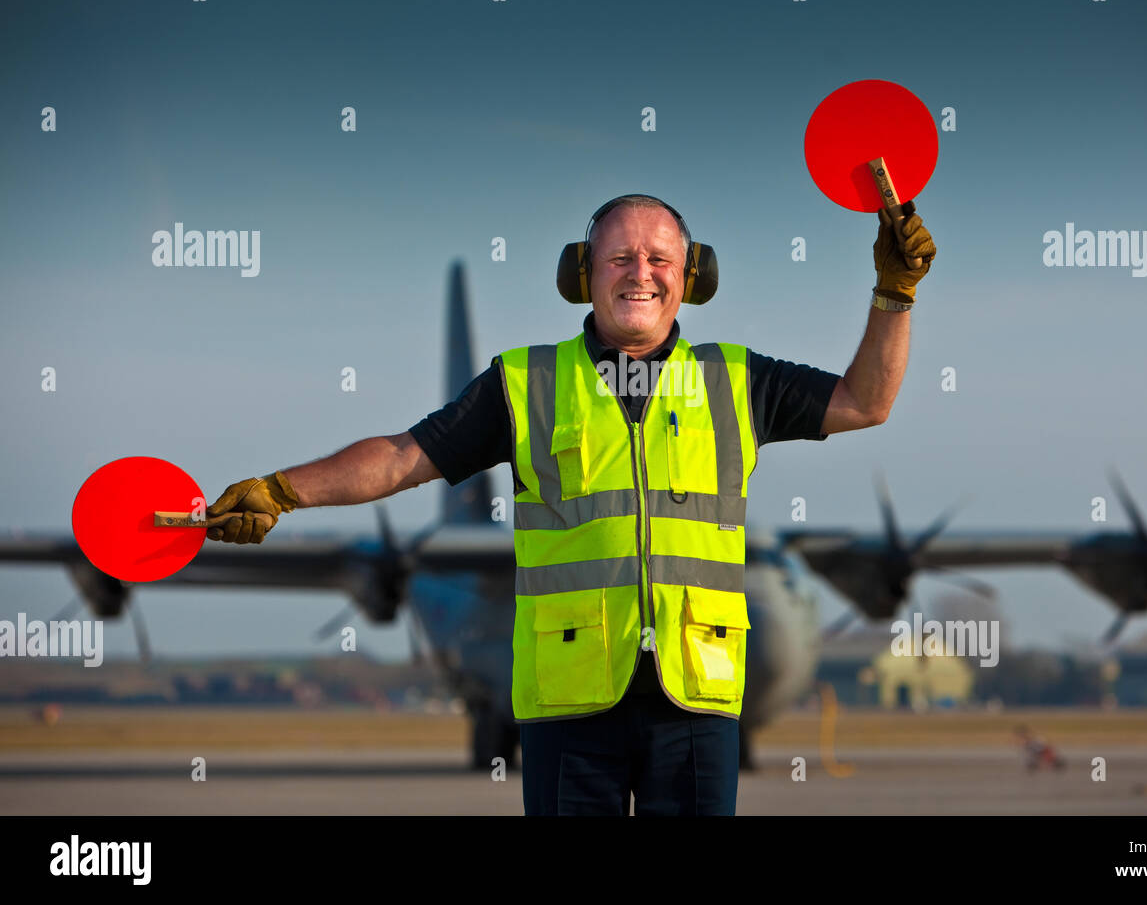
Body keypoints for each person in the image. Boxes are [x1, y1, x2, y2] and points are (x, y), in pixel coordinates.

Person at [203, 193, 936, 815]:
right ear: (583, 277)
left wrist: (894, 293)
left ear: (692, 276)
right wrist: (282, 490)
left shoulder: (738, 382)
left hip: (698, 701)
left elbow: (866, 401)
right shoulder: (524, 384)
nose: (640, 273)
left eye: (659, 259)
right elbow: (403, 457)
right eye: (619, 258)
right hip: (569, 704)